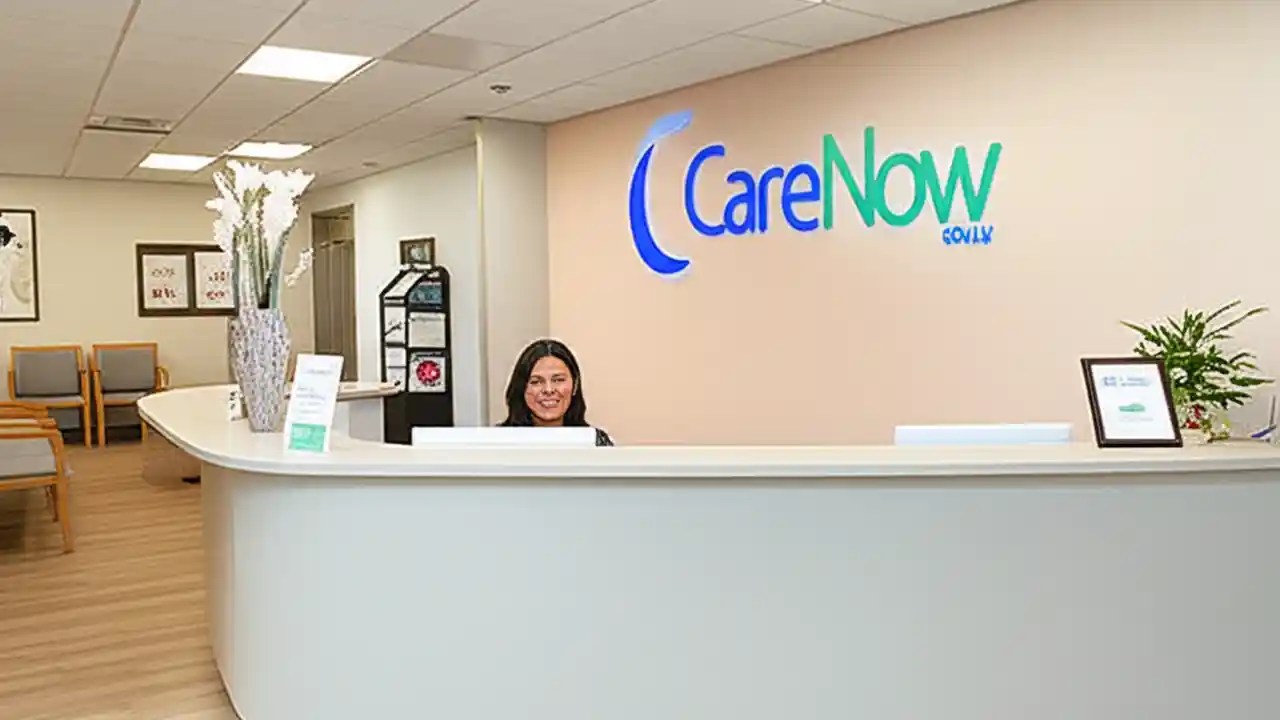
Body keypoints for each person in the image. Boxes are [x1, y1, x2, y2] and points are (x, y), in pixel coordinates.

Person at [499, 339, 614, 446]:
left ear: (575, 385)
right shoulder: (497, 441)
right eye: (536, 382)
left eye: (558, 380)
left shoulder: (595, 442)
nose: (548, 390)